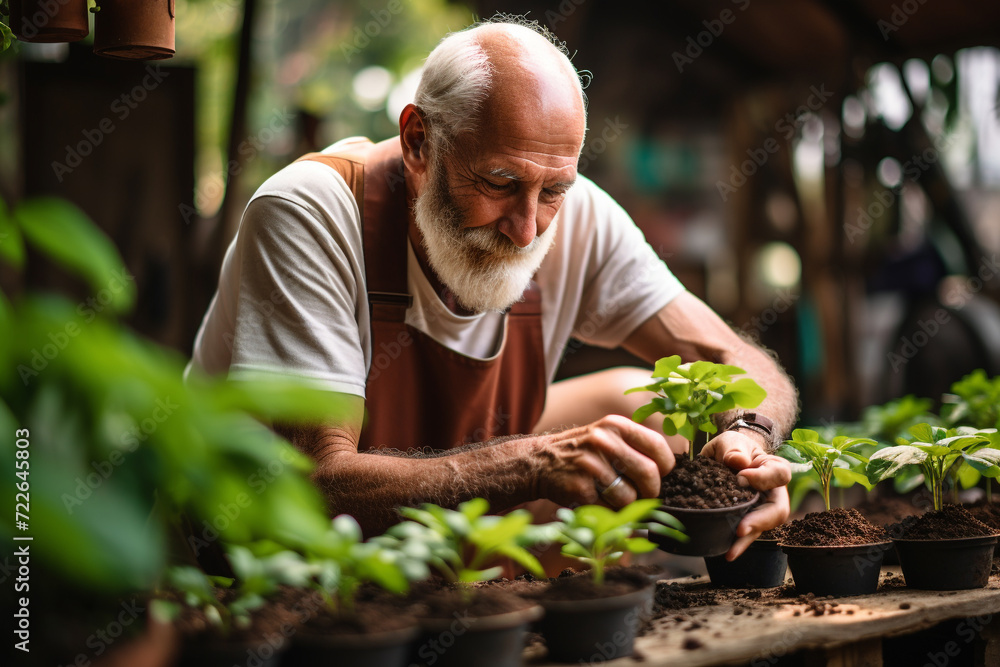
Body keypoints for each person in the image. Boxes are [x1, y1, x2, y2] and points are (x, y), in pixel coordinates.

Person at [186, 17, 796, 562]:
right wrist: (528, 466)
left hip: (445, 491)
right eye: (500, 182)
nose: (527, 227)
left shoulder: (577, 214)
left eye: (553, 190)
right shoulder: (309, 214)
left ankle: (511, 602)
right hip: (260, 544)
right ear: (419, 142)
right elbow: (318, 481)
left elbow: (734, 362)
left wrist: (751, 440)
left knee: (647, 411)